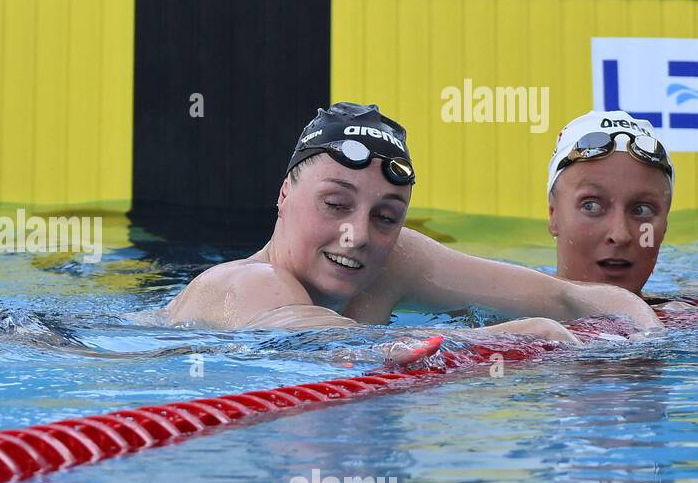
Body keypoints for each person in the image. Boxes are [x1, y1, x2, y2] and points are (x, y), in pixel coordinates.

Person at [160, 103, 661, 340]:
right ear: (284, 194)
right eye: (336, 204)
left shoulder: (395, 260)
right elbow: (317, 344)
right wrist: (496, 338)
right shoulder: (244, 284)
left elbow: (562, 295)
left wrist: (646, 329)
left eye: (386, 216)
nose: (358, 235)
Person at [546, 110, 694, 309]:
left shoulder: (684, 316)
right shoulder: (506, 314)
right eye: (591, 206)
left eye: (642, 210)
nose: (620, 235)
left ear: (664, 226)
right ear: (553, 216)